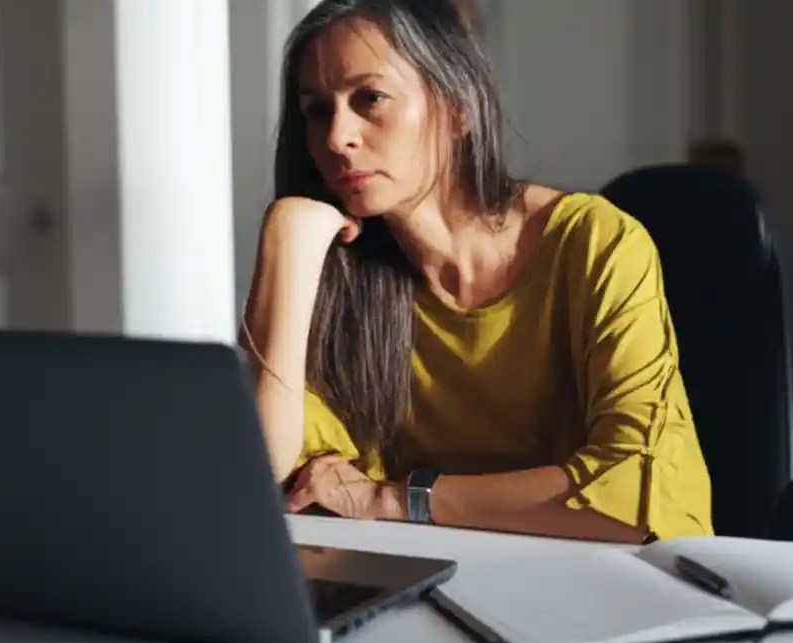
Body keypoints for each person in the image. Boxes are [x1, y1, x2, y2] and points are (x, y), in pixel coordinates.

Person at [241, 0, 712, 542]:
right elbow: (264, 474)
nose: (336, 137)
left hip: (617, 591)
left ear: (460, 106)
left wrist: (396, 498)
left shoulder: (596, 244)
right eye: (317, 110)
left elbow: (631, 494)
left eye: (370, 99)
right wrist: (286, 240)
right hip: (440, 589)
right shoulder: (338, 272)